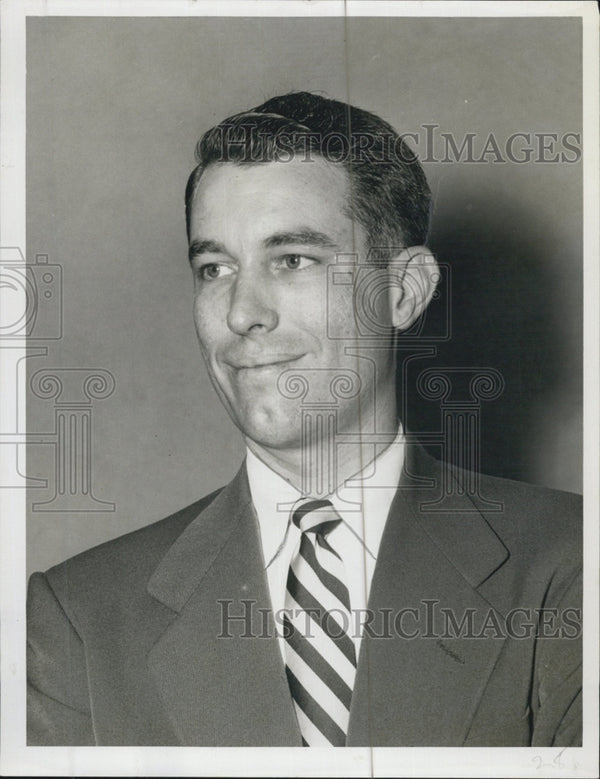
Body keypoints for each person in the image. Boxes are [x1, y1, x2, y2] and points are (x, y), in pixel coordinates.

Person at [27, 92, 582, 747]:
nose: (241, 312)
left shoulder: (569, 565)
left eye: (291, 260)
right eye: (214, 268)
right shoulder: (78, 617)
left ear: (403, 291)